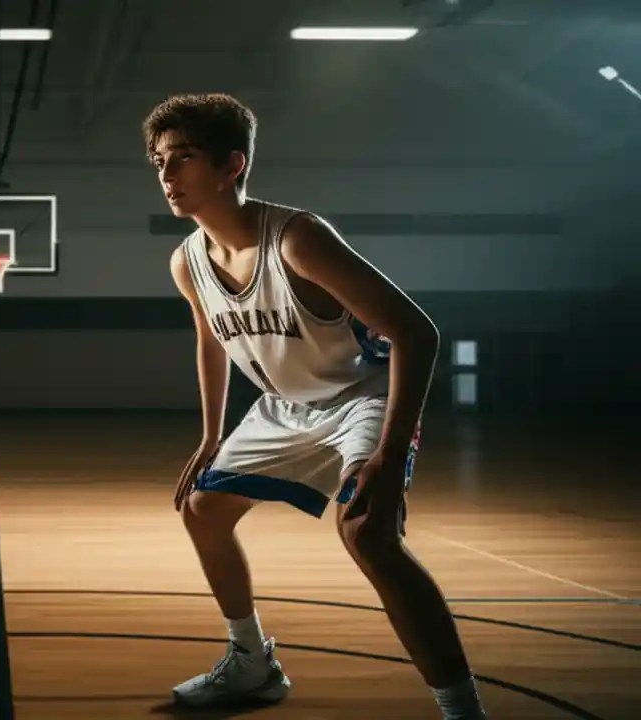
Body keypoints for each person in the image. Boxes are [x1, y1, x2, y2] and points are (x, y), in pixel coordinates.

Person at [145, 93, 486, 719]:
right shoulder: (187, 261)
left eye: (183, 158)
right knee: (203, 511)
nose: (166, 175)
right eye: (158, 160)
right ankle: (252, 664)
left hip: (361, 396)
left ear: (231, 166)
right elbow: (210, 343)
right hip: (285, 406)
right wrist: (211, 436)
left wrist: (388, 450)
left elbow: (417, 333)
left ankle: (461, 709)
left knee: (368, 533)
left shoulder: (297, 239)